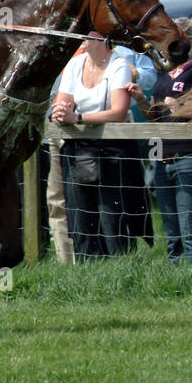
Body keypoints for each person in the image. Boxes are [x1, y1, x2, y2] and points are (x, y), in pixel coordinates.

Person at [137, 17, 192, 261]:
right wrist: (142, 100)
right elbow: (157, 117)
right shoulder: (163, 77)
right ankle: (177, 282)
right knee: (172, 233)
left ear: (190, 43)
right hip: (164, 158)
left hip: (191, 155)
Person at [50, 34, 134, 258]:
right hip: (77, 150)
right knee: (80, 218)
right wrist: (59, 112)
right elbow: (61, 102)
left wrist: (77, 118)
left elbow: (118, 112)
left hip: (112, 151)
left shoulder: (119, 65)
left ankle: (121, 272)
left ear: (103, 37)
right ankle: (88, 274)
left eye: (88, 30)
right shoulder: (75, 63)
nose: (80, 34)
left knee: (111, 219)